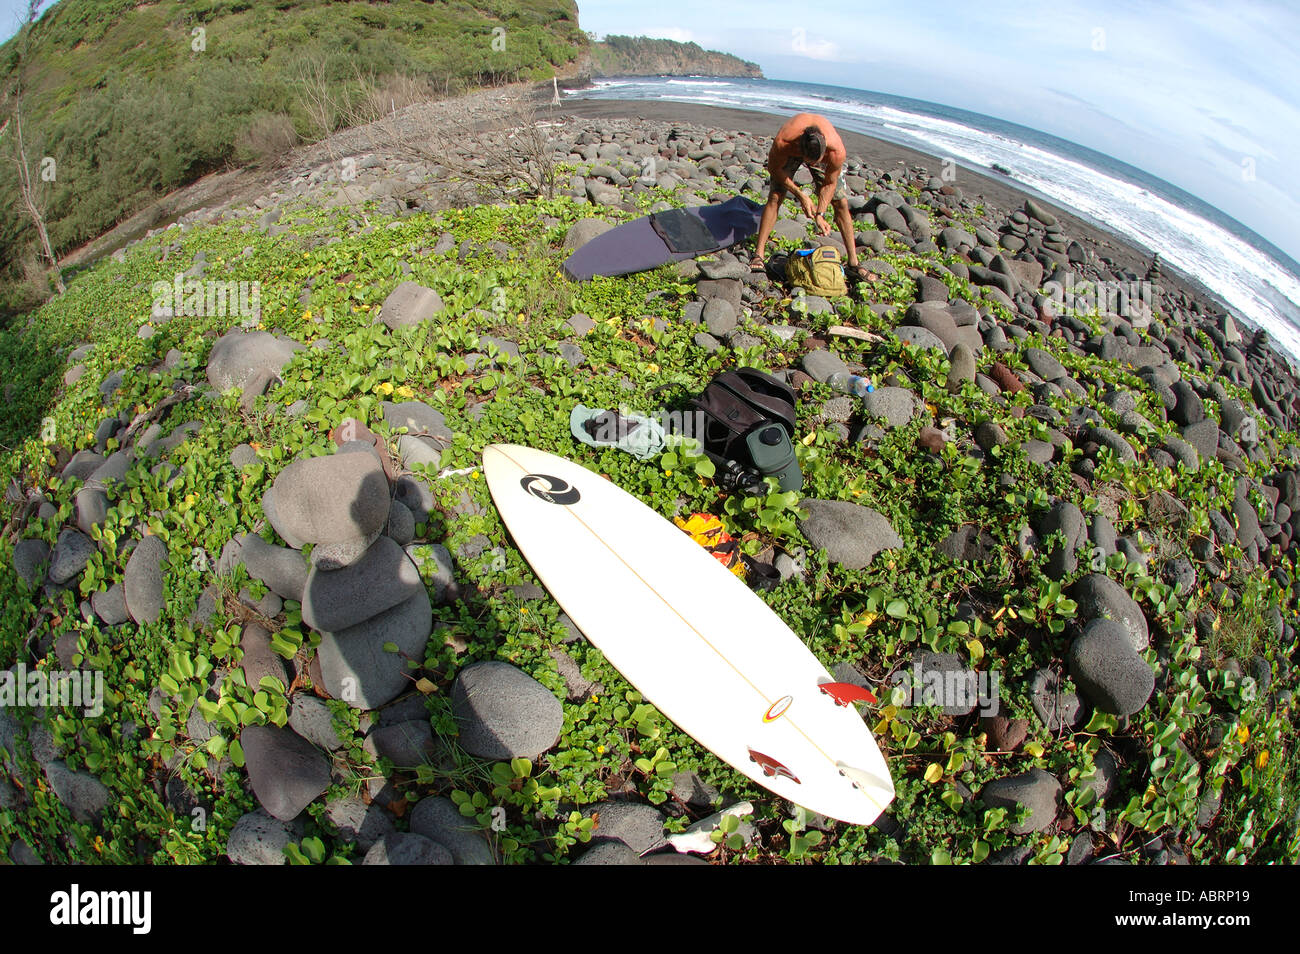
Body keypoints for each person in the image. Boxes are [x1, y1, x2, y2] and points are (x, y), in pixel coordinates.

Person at [751, 113, 869, 283]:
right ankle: (758, 255)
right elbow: (774, 169)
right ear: (800, 148)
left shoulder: (836, 151)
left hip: (821, 152)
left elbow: (830, 183)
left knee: (840, 203)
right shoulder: (784, 143)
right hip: (793, 150)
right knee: (776, 196)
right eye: (809, 162)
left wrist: (820, 214)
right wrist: (801, 195)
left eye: (816, 162)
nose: (812, 166)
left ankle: (853, 263)